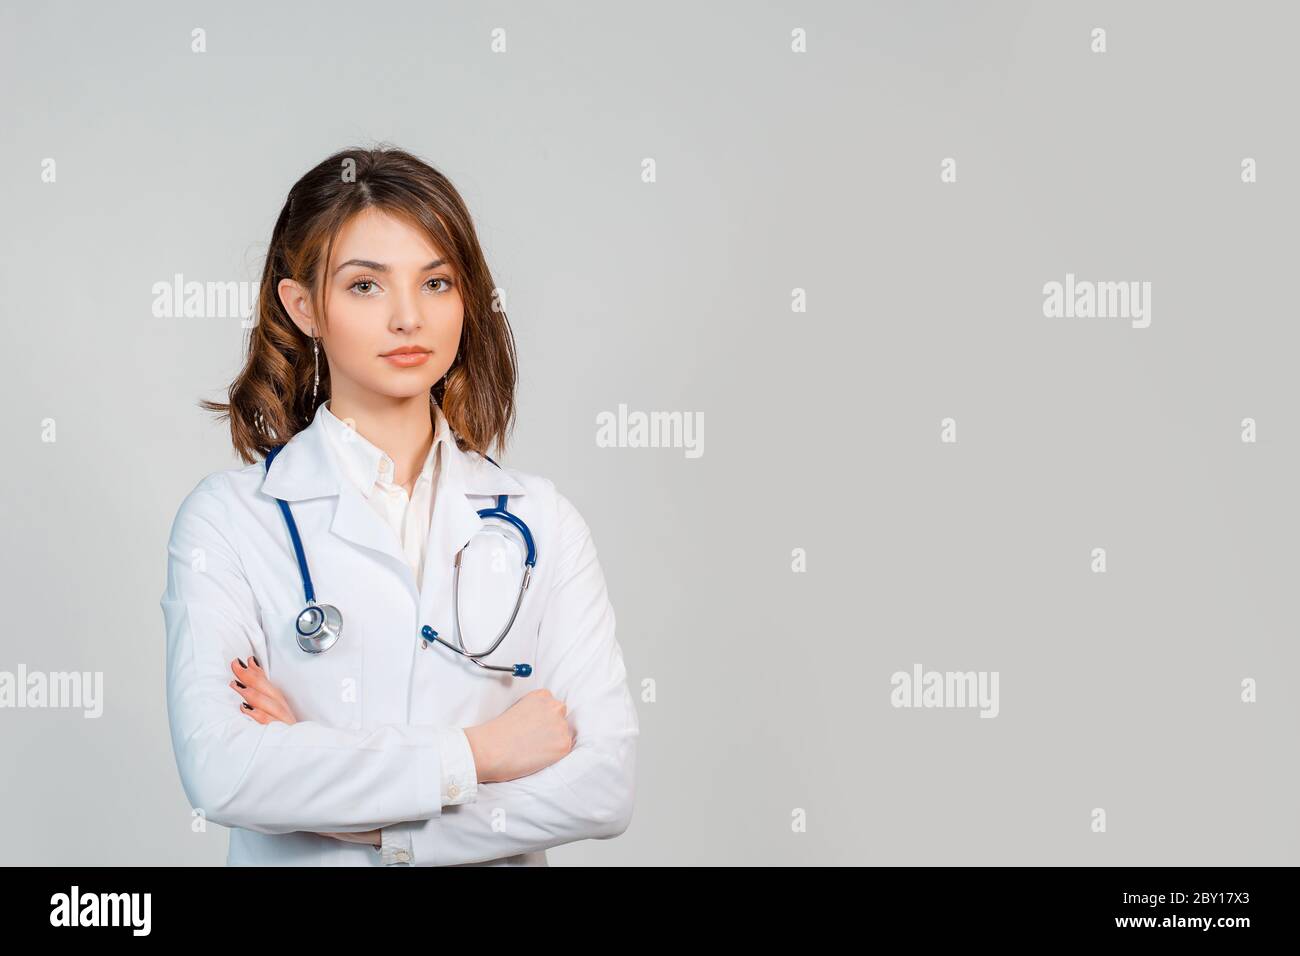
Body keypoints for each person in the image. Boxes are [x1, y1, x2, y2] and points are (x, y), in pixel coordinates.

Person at [160, 146, 638, 866]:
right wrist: (481, 754)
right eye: (365, 287)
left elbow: (603, 787)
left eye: (437, 282)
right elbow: (225, 774)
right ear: (303, 307)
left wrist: (367, 822)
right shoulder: (229, 521)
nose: (409, 317)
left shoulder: (540, 520)